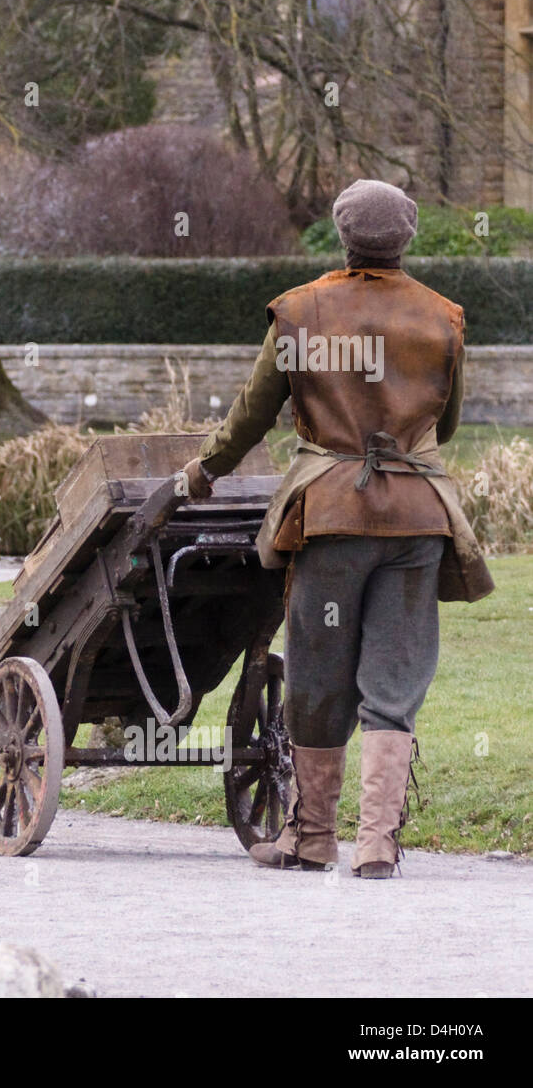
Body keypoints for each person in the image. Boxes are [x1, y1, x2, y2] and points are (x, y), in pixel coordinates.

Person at [180, 179, 494, 879]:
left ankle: (312, 837)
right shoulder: (442, 317)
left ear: (342, 233)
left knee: (318, 674)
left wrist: (204, 470)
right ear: (406, 238)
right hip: (416, 518)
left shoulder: (300, 312)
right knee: (395, 675)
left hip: (329, 517)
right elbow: (445, 426)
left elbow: (251, 416)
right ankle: (378, 842)